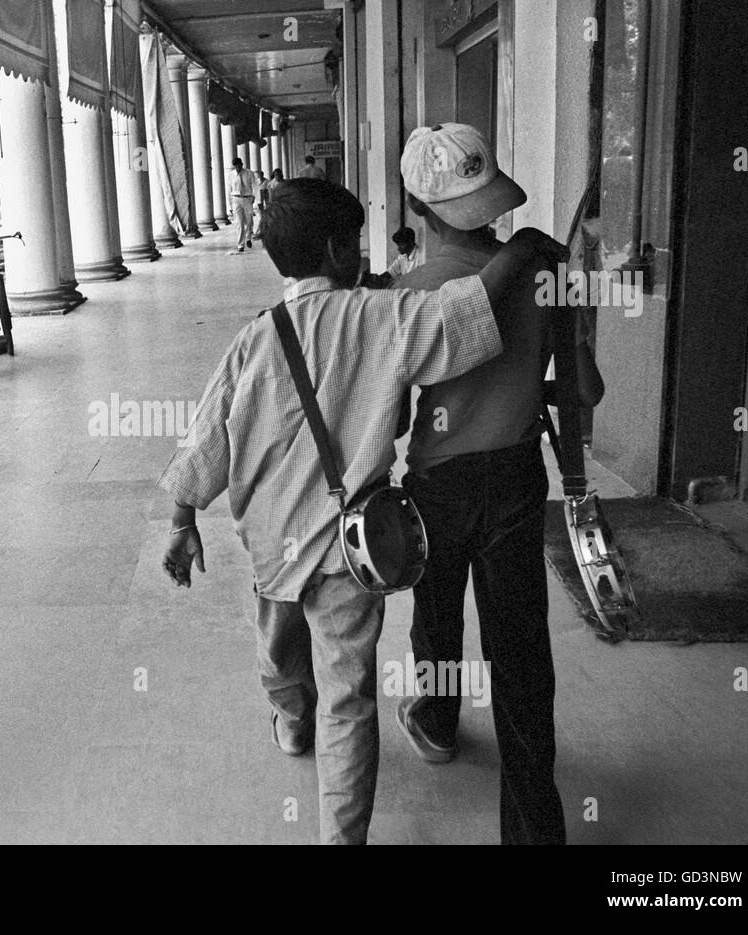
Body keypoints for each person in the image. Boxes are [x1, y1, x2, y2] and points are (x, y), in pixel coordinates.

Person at [157, 176, 568, 844]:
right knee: (348, 703)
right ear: (336, 247)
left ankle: (291, 717)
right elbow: (461, 316)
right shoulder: (385, 318)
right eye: (352, 242)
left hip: (270, 543)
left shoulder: (255, 337)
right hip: (351, 547)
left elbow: (207, 435)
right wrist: (518, 251)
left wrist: (182, 520)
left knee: (278, 654)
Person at [389, 122, 603, 845]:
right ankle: (537, 830)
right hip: (515, 476)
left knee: (436, 613)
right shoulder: (544, 275)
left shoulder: (410, 289)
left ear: (416, 211)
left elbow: (389, 414)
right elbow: (588, 392)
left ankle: (438, 720)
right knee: (520, 653)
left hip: (437, 481)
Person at [226, 156, 256, 252]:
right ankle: (240, 245)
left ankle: (248, 238)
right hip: (236, 199)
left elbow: (255, 186)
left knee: (249, 220)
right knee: (239, 222)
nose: (237, 168)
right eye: (235, 166)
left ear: (241, 165)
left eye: (239, 166)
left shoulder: (249, 173)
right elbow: (229, 190)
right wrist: (230, 205)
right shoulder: (230, 175)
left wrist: (254, 197)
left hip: (247, 198)